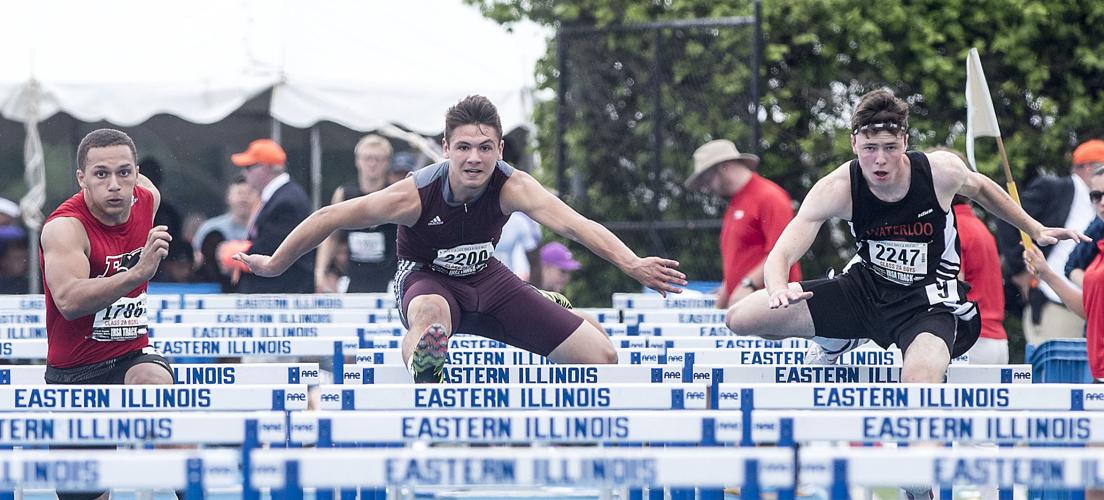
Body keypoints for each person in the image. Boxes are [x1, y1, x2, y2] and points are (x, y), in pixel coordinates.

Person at [235, 95, 686, 383]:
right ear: (446, 148)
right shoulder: (414, 195)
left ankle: (539, 301)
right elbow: (333, 216)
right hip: (427, 282)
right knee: (430, 319)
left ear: (500, 150)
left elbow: (577, 225)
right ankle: (424, 361)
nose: (475, 158)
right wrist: (276, 262)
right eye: (465, 147)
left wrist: (632, 264)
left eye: (485, 147)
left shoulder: (513, 186)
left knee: (603, 358)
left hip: (490, 282)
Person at [725, 89, 1086, 384]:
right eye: (869, 149)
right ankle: (840, 337)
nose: (880, 161)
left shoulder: (939, 172)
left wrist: (1033, 227)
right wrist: (776, 288)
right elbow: (783, 251)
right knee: (739, 319)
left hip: (926, 302)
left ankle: (918, 456)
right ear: (854, 144)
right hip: (865, 292)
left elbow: (983, 189)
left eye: (890, 148)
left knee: (918, 380)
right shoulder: (837, 188)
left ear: (905, 141)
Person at [997, 139, 1104, 346]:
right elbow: (1006, 217)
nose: (1100, 201)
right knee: (1055, 373)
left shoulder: (1096, 217)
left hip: (1089, 309)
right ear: (1090, 167)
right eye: (1096, 196)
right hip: (1053, 304)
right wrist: (1020, 270)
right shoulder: (1055, 188)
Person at [685, 139, 800, 308]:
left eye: (706, 178)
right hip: (747, 307)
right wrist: (723, 296)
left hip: (773, 306)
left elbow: (783, 253)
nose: (705, 188)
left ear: (724, 167)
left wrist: (748, 284)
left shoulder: (769, 197)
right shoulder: (736, 202)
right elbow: (738, 260)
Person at [315, 134, 398, 293]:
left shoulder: (394, 193)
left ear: (387, 162)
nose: (372, 164)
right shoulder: (344, 194)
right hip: (353, 279)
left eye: (378, 159)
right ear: (357, 161)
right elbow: (332, 236)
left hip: (389, 280)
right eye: (368, 158)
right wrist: (320, 272)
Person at [232, 139, 315, 293]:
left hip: (281, 292)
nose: (245, 173)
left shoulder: (286, 201)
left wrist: (238, 254)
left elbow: (272, 251)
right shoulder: (279, 197)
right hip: (277, 291)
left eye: (248, 167)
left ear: (265, 168)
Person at [192, 177, 258, 291]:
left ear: (258, 198)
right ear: (228, 197)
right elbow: (196, 263)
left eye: (249, 193)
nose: (244, 198)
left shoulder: (266, 230)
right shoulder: (209, 228)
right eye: (239, 193)